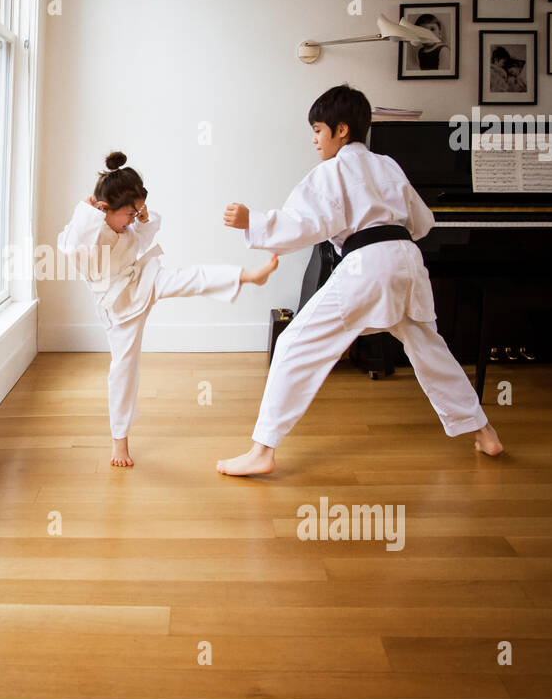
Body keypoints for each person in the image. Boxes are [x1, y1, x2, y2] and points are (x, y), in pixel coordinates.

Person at [214, 84, 503, 476]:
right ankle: (484, 431)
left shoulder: (332, 170)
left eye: (318, 130)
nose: (314, 140)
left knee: (294, 345)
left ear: (342, 130)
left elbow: (305, 224)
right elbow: (422, 222)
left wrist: (254, 221)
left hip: (369, 265)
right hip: (408, 262)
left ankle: (262, 450)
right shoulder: (387, 164)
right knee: (431, 352)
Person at [58, 151, 279, 467]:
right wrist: (90, 206)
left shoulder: (122, 225)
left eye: (136, 215)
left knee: (191, 278)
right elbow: (74, 239)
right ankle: (119, 442)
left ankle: (246, 276)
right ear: (103, 209)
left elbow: (138, 236)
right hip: (119, 306)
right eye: (128, 215)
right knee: (124, 369)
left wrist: (141, 215)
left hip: (143, 279)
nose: (132, 222)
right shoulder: (86, 233)